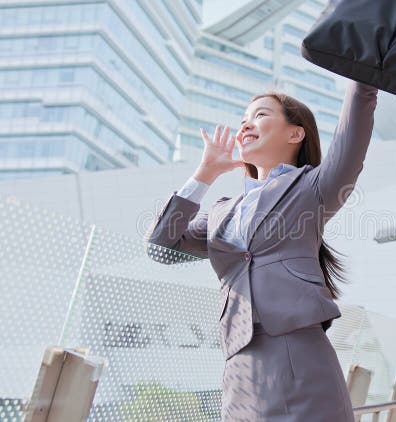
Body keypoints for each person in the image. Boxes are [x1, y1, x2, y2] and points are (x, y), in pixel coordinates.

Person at [146, 79, 377, 420]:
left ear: (295, 134)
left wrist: (363, 75)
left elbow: (351, 137)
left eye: (260, 115)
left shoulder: (312, 187)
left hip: (297, 352)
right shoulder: (223, 211)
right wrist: (205, 174)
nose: (245, 124)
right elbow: (161, 248)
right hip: (239, 362)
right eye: (243, 119)